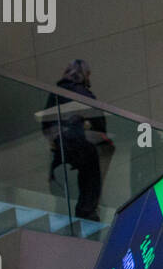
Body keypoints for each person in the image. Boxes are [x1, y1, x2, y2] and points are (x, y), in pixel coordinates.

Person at [44, 59, 112, 221]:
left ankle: (63, 209)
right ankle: (87, 210)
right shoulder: (85, 95)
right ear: (85, 75)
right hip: (80, 144)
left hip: (60, 145)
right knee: (92, 173)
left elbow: (46, 122)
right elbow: (100, 124)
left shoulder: (56, 92)